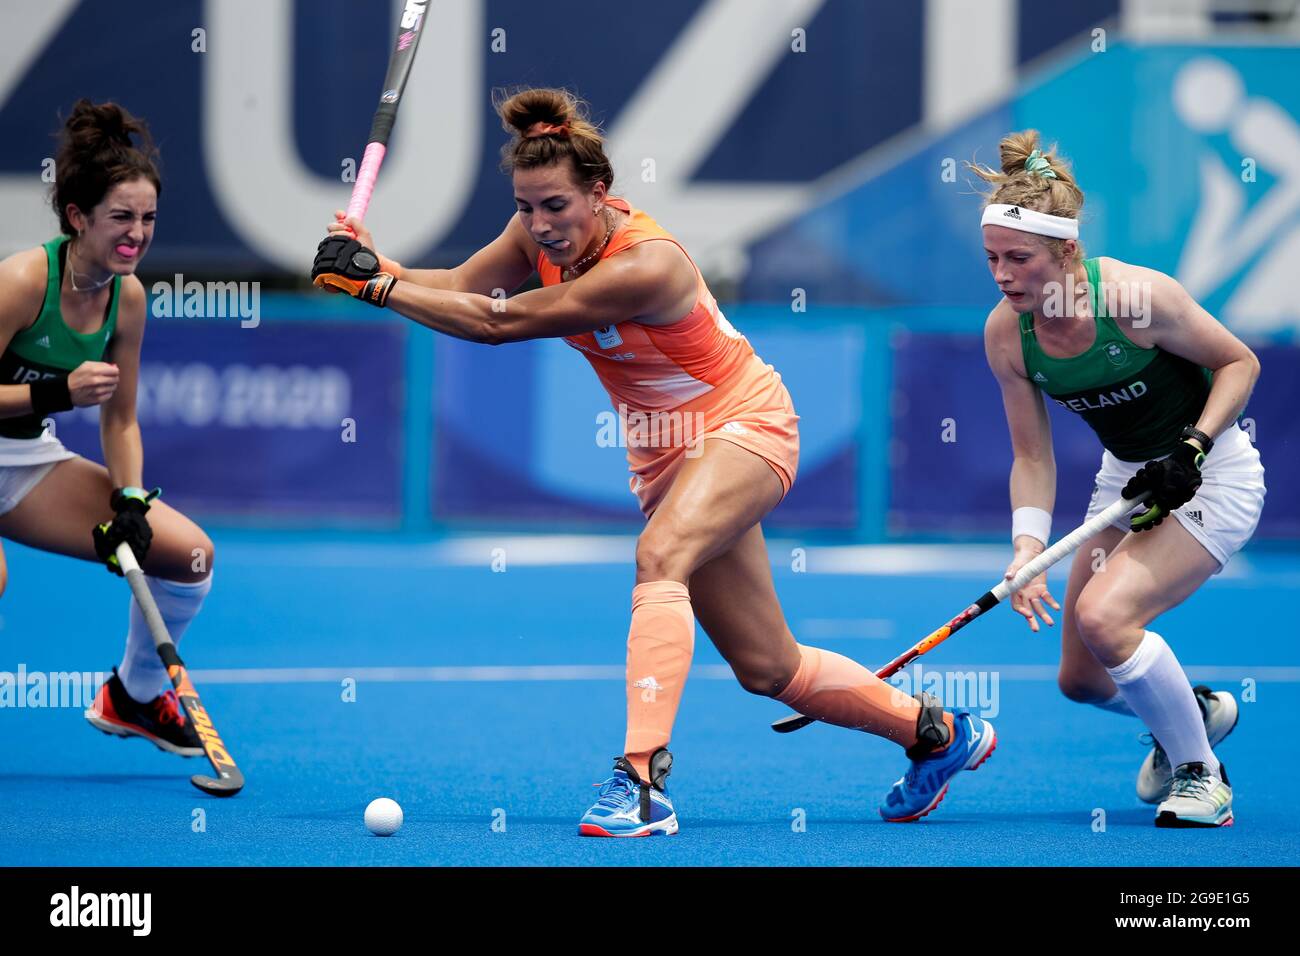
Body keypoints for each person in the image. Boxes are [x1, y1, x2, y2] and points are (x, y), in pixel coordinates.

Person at [312, 87, 997, 835]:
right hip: (666, 461)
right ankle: (937, 734)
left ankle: (640, 784)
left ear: (599, 194)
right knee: (768, 668)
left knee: (659, 557)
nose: (541, 228)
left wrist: (377, 288)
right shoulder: (534, 235)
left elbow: (498, 324)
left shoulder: (649, 265)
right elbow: (458, 290)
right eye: (527, 208)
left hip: (746, 426)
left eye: (556, 208)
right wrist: (374, 262)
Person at [975, 131, 1264, 827]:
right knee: (1081, 678)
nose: (1004, 276)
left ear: (1067, 251)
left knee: (1108, 617)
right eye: (991, 259)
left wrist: (1193, 447)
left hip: (1212, 475)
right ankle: (1189, 710)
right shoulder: (1008, 335)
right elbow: (1033, 458)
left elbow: (1240, 364)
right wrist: (1025, 548)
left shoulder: (1137, 298)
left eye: (1020, 258)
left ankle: (1201, 775)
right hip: (1129, 485)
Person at [0, 100, 215, 756]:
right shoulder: (20, 281)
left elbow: (120, 418)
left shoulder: (128, 296)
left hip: (24, 462)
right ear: (77, 217)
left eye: (148, 218)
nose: (137, 234)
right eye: (122, 217)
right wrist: (59, 390)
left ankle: (137, 696)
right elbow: (75, 395)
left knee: (188, 556)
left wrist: (128, 499)